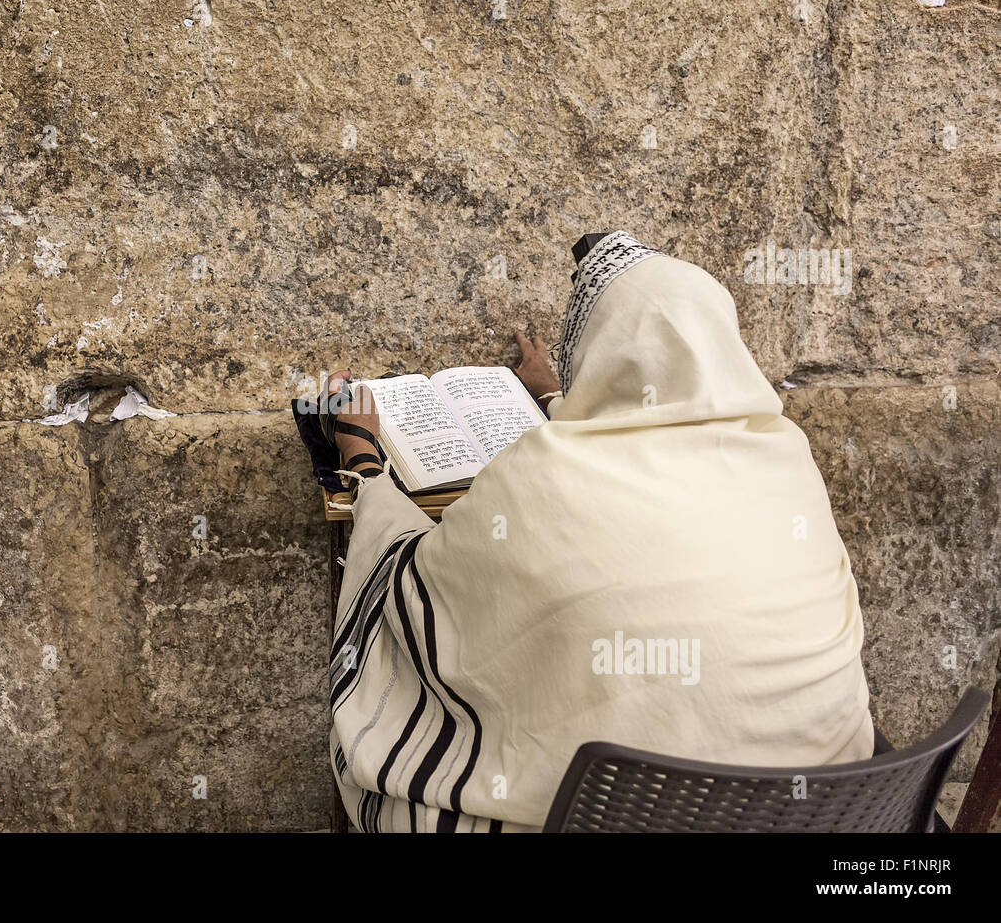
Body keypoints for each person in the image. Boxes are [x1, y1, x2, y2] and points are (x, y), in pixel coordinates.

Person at [324, 231, 873, 832]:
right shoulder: (785, 460)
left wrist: (366, 465)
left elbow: (410, 587)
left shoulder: (546, 479)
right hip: (831, 811)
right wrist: (558, 396)